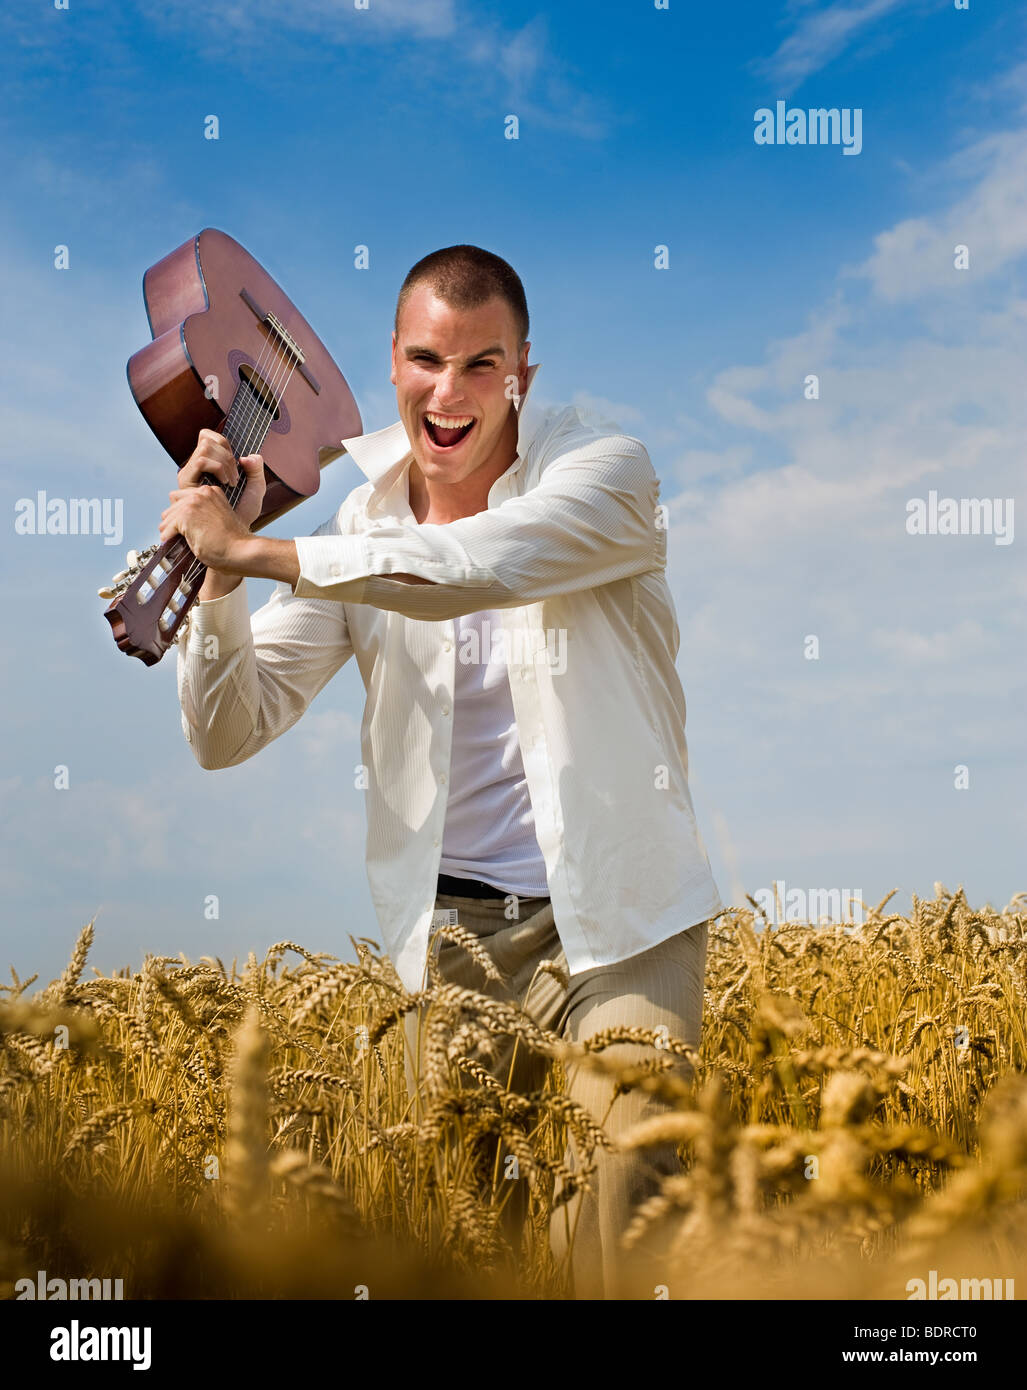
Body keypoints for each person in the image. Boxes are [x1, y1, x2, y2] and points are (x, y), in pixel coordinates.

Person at [165, 245, 724, 1298]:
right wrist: (216, 581)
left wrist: (263, 554)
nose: (449, 391)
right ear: (390, 363)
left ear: (524, 373)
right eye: (426, 359)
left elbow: (474, 569)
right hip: (455, 937)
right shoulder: (355, 531)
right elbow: (226, 729)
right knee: (488, 1250)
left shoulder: (606, 474)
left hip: (618, 919)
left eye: (482, 364)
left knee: (632, 1209)